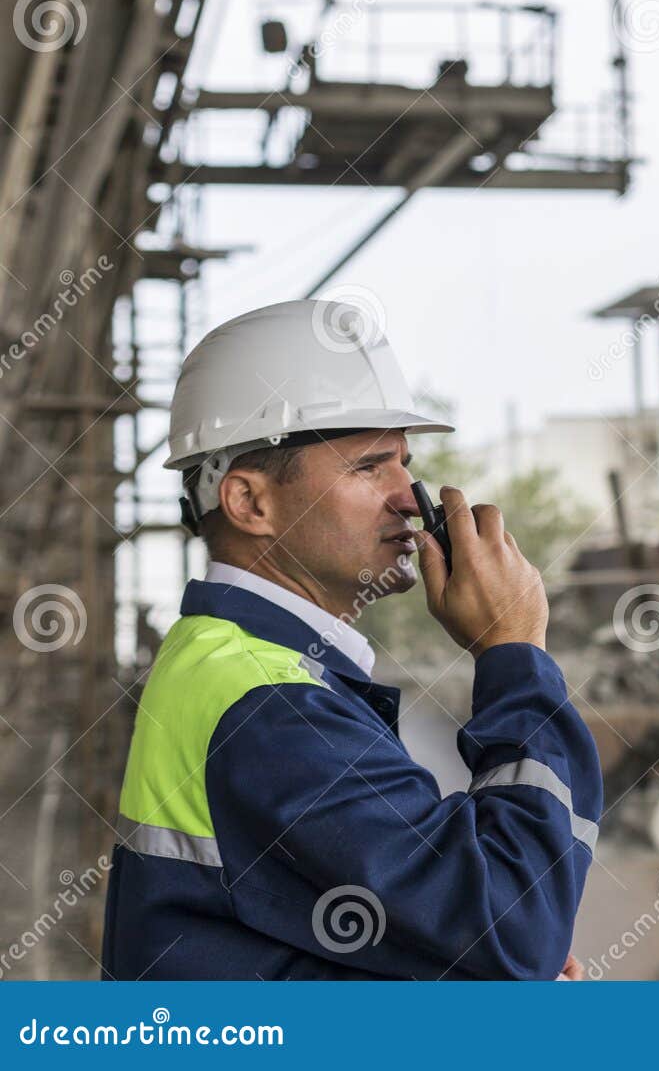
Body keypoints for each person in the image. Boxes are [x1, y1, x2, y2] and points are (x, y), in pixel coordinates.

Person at [100, 298, 600, 979]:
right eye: (369, 466)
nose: (409, 495)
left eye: (404, 461)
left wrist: (479, 964)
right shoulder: (271, 705)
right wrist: (513, 651)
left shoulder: (236, 661)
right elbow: (513, 928)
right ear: (250, 503)